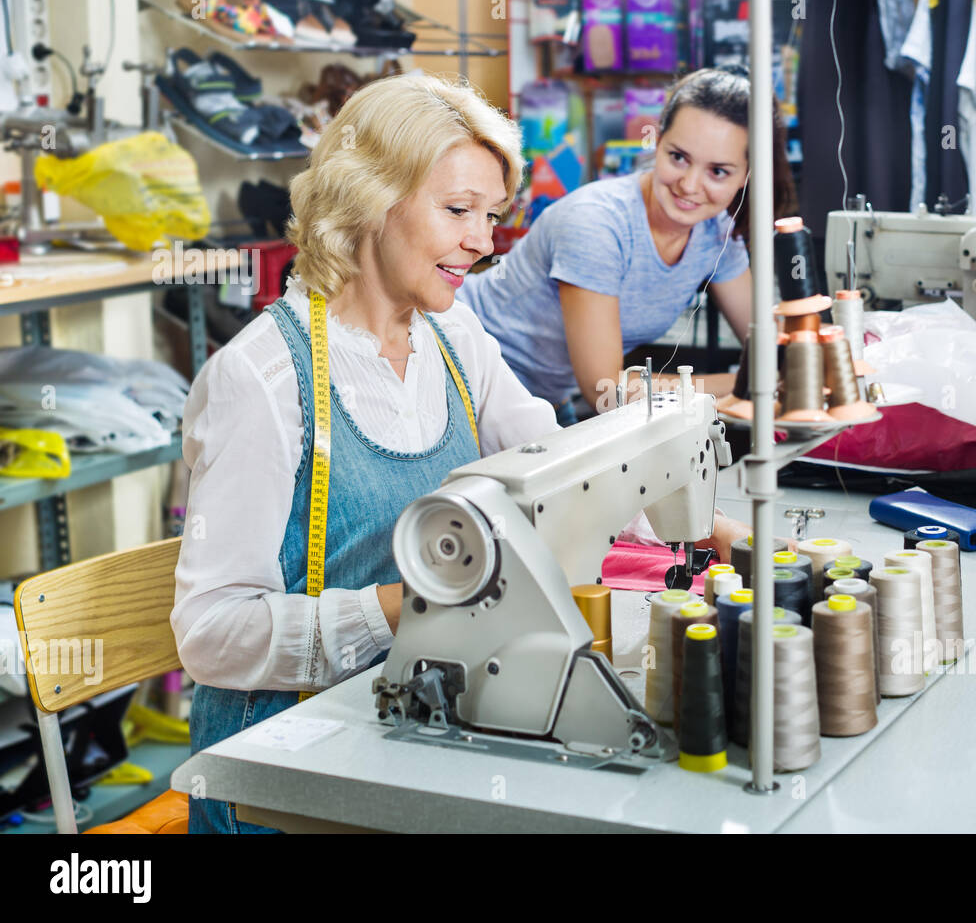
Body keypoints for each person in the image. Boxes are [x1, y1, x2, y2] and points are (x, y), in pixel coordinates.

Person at [173, 72, 749, 833]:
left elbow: (562, 469)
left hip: (405, 729)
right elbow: (210, 637)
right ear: (369, 197)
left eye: (490, 215)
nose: (483, 242)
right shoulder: (262, 378)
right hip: (282, 776)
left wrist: (688, 527)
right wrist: (420, 599)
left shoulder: (454, 338)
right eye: (458, 212)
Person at [460, 66, 797, 424]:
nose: (690, 184)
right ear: (658, 141)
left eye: (718, 172)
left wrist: (804, 366)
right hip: (467, 371)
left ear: (747, 174)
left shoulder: (716, 232)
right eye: (678, 157)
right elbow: (607, 392)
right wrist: (749, 384)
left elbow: (769, 344)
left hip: (544, 394)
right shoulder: (597, 224)